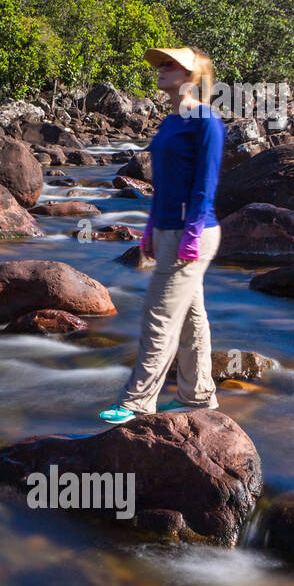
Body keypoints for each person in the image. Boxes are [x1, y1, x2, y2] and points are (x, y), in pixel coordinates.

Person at [99, 46, 224, 424]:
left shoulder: (206, 121)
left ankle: (138, 401)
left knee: (159, 314)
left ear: (190, 74)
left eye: (171, 65)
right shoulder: (170, 122)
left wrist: (191, 232)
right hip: (168, 229)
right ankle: (198, 396)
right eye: (162, 64)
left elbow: (206, 184)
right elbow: (164, 183)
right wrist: (151, 227)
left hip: (194, 233)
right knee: (189, 316)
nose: (162, 70)